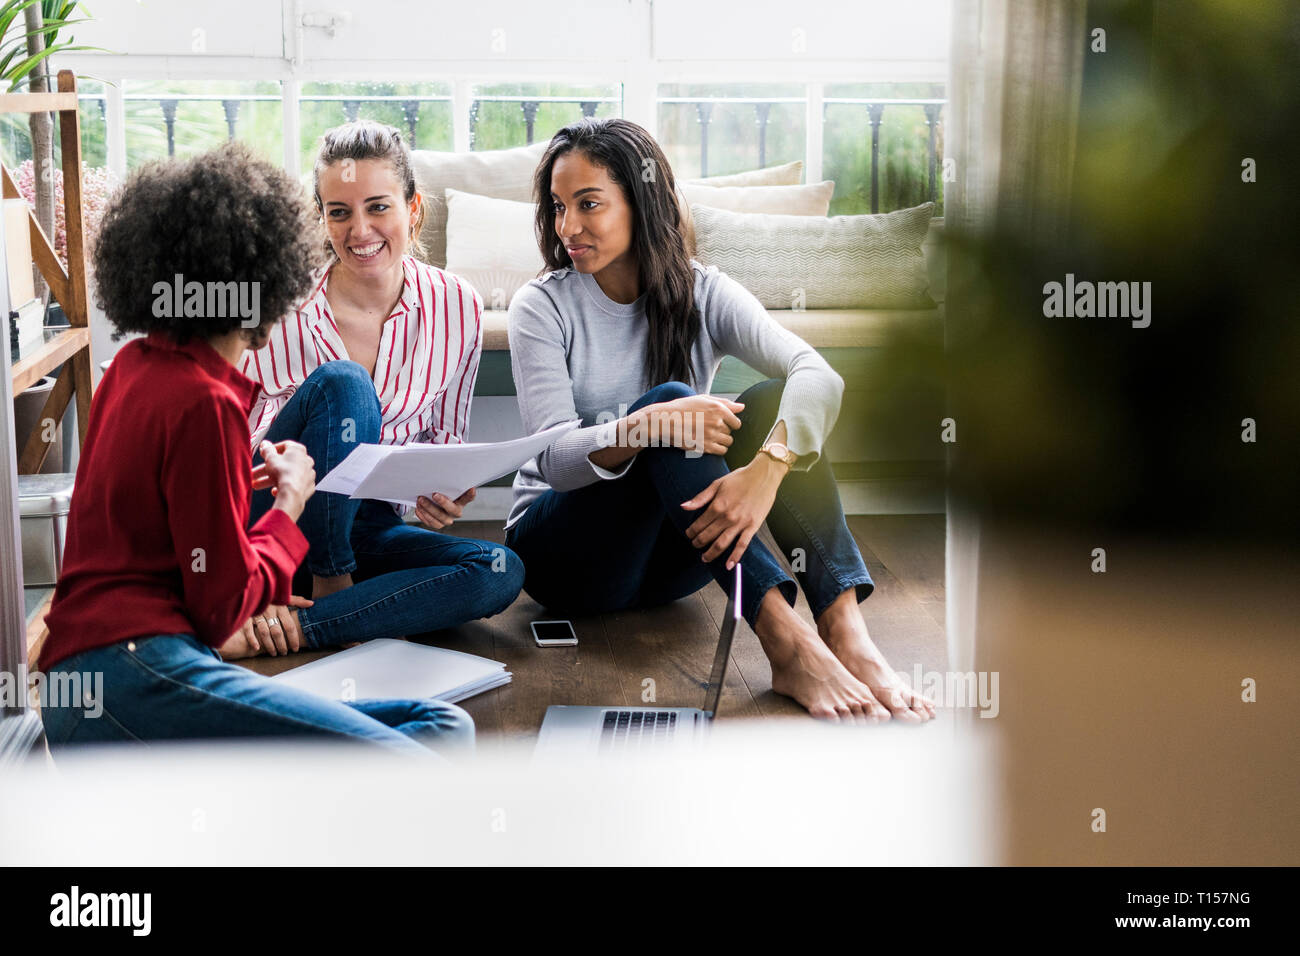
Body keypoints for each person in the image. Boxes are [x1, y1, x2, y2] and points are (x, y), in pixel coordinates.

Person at [37, 144, 473, 756]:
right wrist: (292, 499)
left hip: (88, 678)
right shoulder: (205, 402)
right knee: (411, 754)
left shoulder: (130, 369)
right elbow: (222, 612)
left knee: (444, 726)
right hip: (135, 671)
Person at [504, 118, 936, 723]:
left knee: (769, 400)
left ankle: (844, 629)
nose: (567, 227)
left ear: (643, 201)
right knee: (671, 405)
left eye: (589, 203)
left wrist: (767, 469)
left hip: (677, 564)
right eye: (557, 206)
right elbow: (553, 460)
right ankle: (787, 642)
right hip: (568, 558)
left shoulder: (702, 290)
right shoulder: (541, 306)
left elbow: (818, 376)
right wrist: (647, 424)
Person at [224, 120, 523, 659]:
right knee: (346, 383)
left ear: (413, 208)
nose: (360, 230)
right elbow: (231, 443)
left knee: (500, 570)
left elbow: (444, 436)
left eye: (378, 207)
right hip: (274, 517)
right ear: (323, 219)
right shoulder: (281, 302)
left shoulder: (457, 305)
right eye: (339, 212)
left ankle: (297, 628)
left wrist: (441, 492)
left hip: (371, 525)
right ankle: (333, 582)